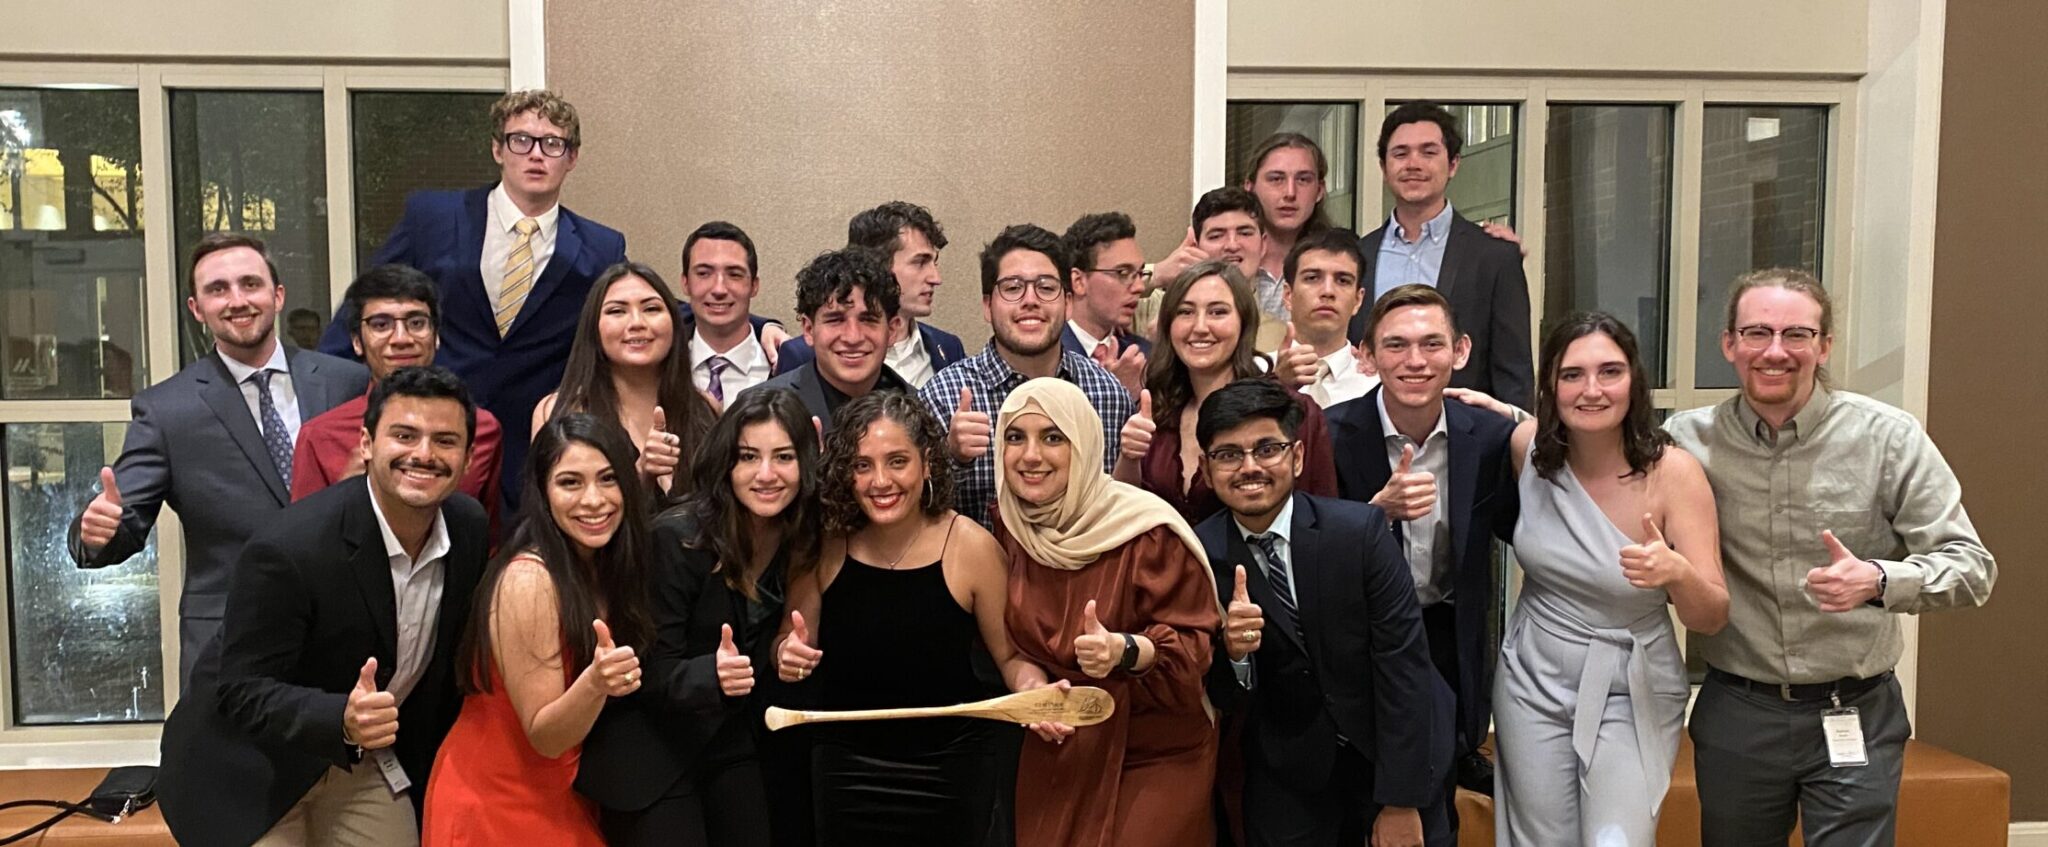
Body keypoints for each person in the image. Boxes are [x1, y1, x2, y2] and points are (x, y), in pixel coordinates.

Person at [1665, 269, 1995, 845]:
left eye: (1796, 334)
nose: (1775, 351)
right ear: (1728, 344)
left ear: (1824, 346)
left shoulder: (1888, 438)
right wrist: (1506, 420)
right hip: (1739, 709)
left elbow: (1972, 566)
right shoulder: (1685, 442)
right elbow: (1591, 458)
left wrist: (1878, 579)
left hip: (1857, 708)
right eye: (1756, 333)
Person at [156, 366, 489, 847]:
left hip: (361, 760)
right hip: (250, 766)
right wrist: (340, 719)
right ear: (367, 444)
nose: (423, 454)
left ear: (468, 458)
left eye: (444, 440)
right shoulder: (292, 546)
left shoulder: (468, 528)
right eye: (404, 435)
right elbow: (240, 690)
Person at [70, 232, 369, 681]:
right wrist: (96, 534)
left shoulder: (347, 383)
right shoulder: (168, 410)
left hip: (343, 634)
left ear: (277, 295)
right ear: (197, 309)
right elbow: (121, 522)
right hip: (228, 647)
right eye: (217, 289)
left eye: (250, 284)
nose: (237, 300)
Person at [772, 392, 1056, 844]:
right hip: (847, 768)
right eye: (862, 465)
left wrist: (1033, 691)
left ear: (927, 464)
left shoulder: (972, 547)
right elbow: (790, 638)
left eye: (897, 461)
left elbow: (1009, 657)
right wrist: (788, 653)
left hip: (954, 766)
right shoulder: (822, 544)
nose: (880, 481)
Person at [1492, 312, 1727, 845]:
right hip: (1532, 677)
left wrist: (1677, 574)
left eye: (1610, 372)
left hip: (1630, 682)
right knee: (1539, 838)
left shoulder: (1674, 472)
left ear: (1634, 381)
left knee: (1616, 840)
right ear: (1550, 385)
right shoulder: (1527, 450)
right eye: (1572, 374)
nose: (1591, 390)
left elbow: (1711, 615)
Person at [1194, 378, 1452, 847]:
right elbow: (1219, 698)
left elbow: (1403, 664)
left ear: (1296, 457)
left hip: (1392, 756)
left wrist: (1400, 800)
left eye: (1266, 448)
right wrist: (1232, 652)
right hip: (1287, 773)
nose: (1249, 467)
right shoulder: (1198, 553)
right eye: (1228, 454)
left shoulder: (1358, 532)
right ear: (1206, 471)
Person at [577, 388, 821, 846]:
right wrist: (710, 673)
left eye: (784, 457)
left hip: (726, 742)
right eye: (748, 456)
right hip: (651, 753)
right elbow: (638, 672)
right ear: (727, 463)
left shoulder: (801, 534)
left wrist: (783, 651)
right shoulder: (677, 539)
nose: (766, 474)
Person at [990, 377, 1221, 847]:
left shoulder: (1145, 529)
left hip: (1155, 745)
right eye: (1015, 437)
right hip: (1063, 740)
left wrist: (1125, 650)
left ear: (1085, 443)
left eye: (1053, 437)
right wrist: (1030, 689)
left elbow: (1195, 653)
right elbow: (1009, 647)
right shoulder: (1010, 526)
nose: (1030, 455)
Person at [1322, 284, 1518, 827]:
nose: (1415, 361)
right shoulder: (1330, 435)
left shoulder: (1490, 435)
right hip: (1359, 644)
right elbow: (1311, 555)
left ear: (1460, 352)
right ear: (1366, 355)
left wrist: (1516, 414)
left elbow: (1556, 481)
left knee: (1432, 812)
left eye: (1432, 344)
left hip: (1449, 637)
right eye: (1396, 345)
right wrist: (1374, 514)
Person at [421, 413, 651, 846]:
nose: (594, 500)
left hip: (561, 793)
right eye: (570, 483)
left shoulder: (604, 565)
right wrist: (596, 683)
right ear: (543, 493)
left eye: (607, 479)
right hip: (494, 800)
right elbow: (545, 736)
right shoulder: (529, 580)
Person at [920, 224, 1134, 529]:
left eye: (1046, 287)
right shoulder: (943, 397)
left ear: (1069, 303)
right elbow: (917, 516)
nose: (1030, 300)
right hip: (979, 573)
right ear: (987, 306)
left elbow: (1121, 508)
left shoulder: (1107, 395)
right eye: (1012, 288)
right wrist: (953, 456)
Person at [1114, 259, 1336, 521]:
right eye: (1185, 312)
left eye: (1218, 312)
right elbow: (1125, 512)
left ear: (1244, 323)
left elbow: (1320, 519)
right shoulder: (1156, 408)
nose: (1200, 327)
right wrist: (1129, 457)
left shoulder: (1289, 410)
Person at [292, 265, 505, 538]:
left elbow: (486, 541)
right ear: (357, 342)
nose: (401, 339)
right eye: (381, 325)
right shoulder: (320, 436)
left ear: (436, 336)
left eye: (416, 323)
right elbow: (301, 545)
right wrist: (349, 494)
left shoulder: (483, 428)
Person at [1346, 101, 1533, 411]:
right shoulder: (1358, 256)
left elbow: (1514, 372)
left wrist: (1514, 444)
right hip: (1370, 435)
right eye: (1400, 153)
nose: (1413, 164)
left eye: (1428, 152)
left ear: (1454, 164)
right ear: (1383, 167)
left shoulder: (1494, 256)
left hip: (1469, 437)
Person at [534, 262, 719, 500]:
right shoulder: (558, 411)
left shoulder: (706, 407)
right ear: (594, 327)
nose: (637, 323)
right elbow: (548, 515)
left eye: (651, 309)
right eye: (617, 311)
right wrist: (641, 473)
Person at [777, 201, 967, 386]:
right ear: (877, 265)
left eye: (934, 263)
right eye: (920, 262)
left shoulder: (947, 348)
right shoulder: (801, 354)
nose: (936, 278)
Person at [741, 247, 913, 435]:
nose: (852, 337)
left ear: (892, 330)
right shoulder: (754, 410)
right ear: (808, 329)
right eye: (835, 320)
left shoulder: (921, 410)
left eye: (868, 319)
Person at [681, 221, 778, 405]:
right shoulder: (660, 363)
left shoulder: (783, 366)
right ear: (685, 282)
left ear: (754, 286)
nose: (719, 289)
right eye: (704, 273)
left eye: (734, 274)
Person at [1279, 228, 1377, 407]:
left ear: (1358, 299)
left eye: (1342, 281)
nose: (1328, 291)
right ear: (1288, 295)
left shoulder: (1378, 387)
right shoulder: (1252, 372)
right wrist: (1275, 386)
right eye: (1312, 278)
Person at [1059, 211, 1152, 396]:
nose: (1139, 287)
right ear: (1079, 281)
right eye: (1123, 273)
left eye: (1140, 274)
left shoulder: (1146, 355)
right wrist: (1114, 392)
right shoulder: (1046, 356)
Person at [1241, 132, 1331, 284]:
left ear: (1319, 191)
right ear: (1250, 188)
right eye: (1276, 179)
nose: (1290, 193)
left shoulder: (1339, 263)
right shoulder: (1229, 259)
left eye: (1303, 180)